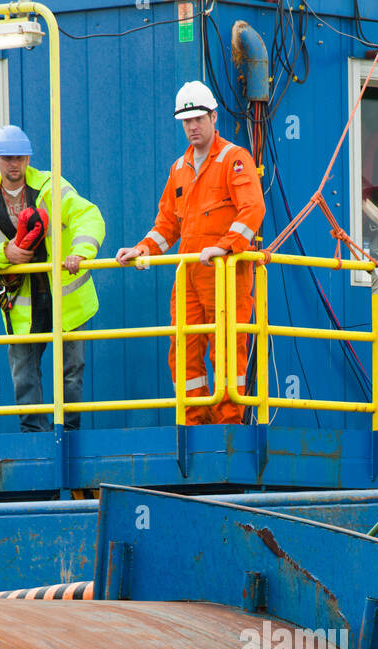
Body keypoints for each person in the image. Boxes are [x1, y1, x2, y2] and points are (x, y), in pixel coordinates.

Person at [116, 82, 265, 424]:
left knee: (228, 347)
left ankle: (229, 421)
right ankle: (194, 420)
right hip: (190, 275)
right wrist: (142, 249)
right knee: (184, 348)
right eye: (186, 121)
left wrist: (225, 246)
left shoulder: (234, 160)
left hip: (227, 274)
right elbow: (167, 224)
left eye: (198, 119)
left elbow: (252, 211)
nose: (192, 127)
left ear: (214, 117)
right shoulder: (179, 168)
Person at [0, 126, 105, 431]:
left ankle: (70, 433)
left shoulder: (52, 187)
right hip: (22, 305)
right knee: (24, 372)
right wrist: (5, 253)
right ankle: (34, 440)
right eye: (7, 157)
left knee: (71, 370)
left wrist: (81, 252)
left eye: (20, 157)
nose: (14, 163)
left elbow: (88, 216)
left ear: (28, 159)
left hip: (67, 296)